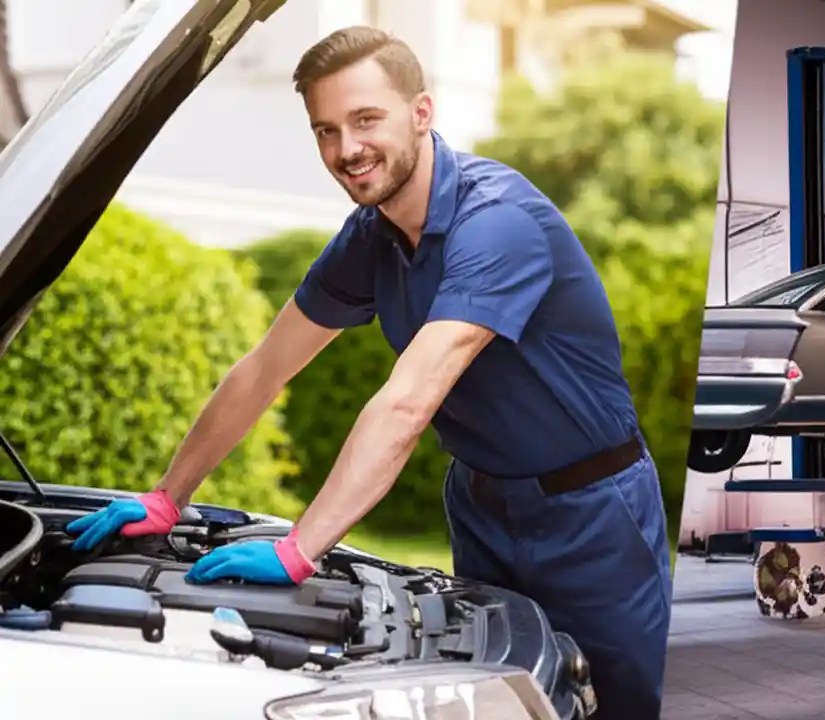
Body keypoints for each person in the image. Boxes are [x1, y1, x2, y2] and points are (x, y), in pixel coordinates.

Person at [65, 26, 671, 719]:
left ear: (421, 113)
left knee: (622, 704)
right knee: (512, 705)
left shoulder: (498, 222)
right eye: (325, 130)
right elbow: (265, 368)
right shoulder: (371, 237)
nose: (346, 149)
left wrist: (300, 550)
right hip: (481, 505)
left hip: (592, 516)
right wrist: (168, 498)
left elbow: (407, 404)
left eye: (365, 120)